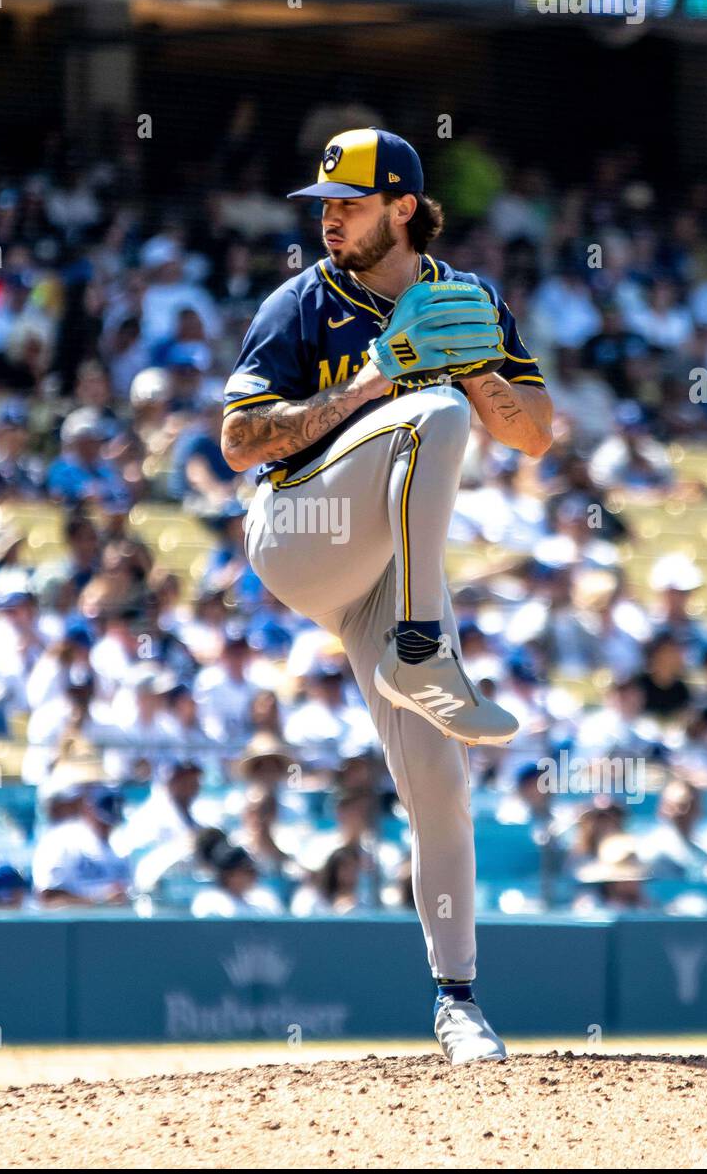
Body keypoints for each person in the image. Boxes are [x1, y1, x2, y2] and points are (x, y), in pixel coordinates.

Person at [221, 128, 553, 1064]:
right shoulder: (300, 303)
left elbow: (534, 438)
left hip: (386, 575)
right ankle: (424, 644)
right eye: (323, 204)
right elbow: (239, 445)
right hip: (298, 534)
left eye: (349, 203)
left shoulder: (467, 297)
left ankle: (457, 1002)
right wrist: (367, 386)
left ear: (403, 206)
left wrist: (483, 370)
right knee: (430, 410)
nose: (328, 217)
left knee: (441, 788)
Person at [31, 785, 130, 907]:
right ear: (87, 808)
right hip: (72, 924)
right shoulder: (59, 840)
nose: (106, 825)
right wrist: (100, 901)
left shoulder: (122, 845)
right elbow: (47, 898)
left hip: (118, 923)